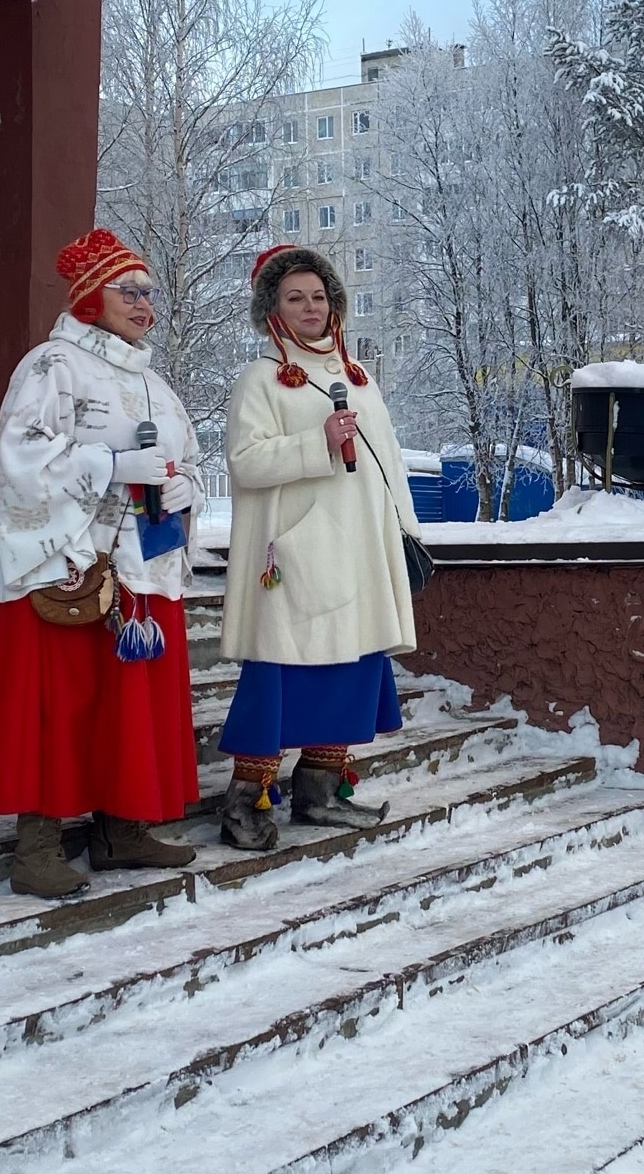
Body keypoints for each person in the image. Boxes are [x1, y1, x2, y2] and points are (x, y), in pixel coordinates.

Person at [0, 228, 204, 898]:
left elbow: (182, 455)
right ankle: (38, 844)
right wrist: (110, 466)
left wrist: (185, 485)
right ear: (89, 298)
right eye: (128, 291)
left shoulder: (154, 382)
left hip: (145, 562)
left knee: (128, 706)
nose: (144, 305)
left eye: (148, 293)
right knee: (62, 701)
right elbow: (23, 457)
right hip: (71, 565)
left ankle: (122, 828)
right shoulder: (53, 365)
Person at [216, 245, 424, 851]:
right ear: (272, 309)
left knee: (353, 670)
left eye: (319, 295)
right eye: (294, 297)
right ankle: (245, 802)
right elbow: (245, 462)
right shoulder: (261, 378)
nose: (311, 307)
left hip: (360, 552)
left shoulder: (357, 374)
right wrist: (317, 442)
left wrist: (407, 535)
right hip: (299, 555)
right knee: (279, 678)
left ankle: (321, 791)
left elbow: (389, 467)